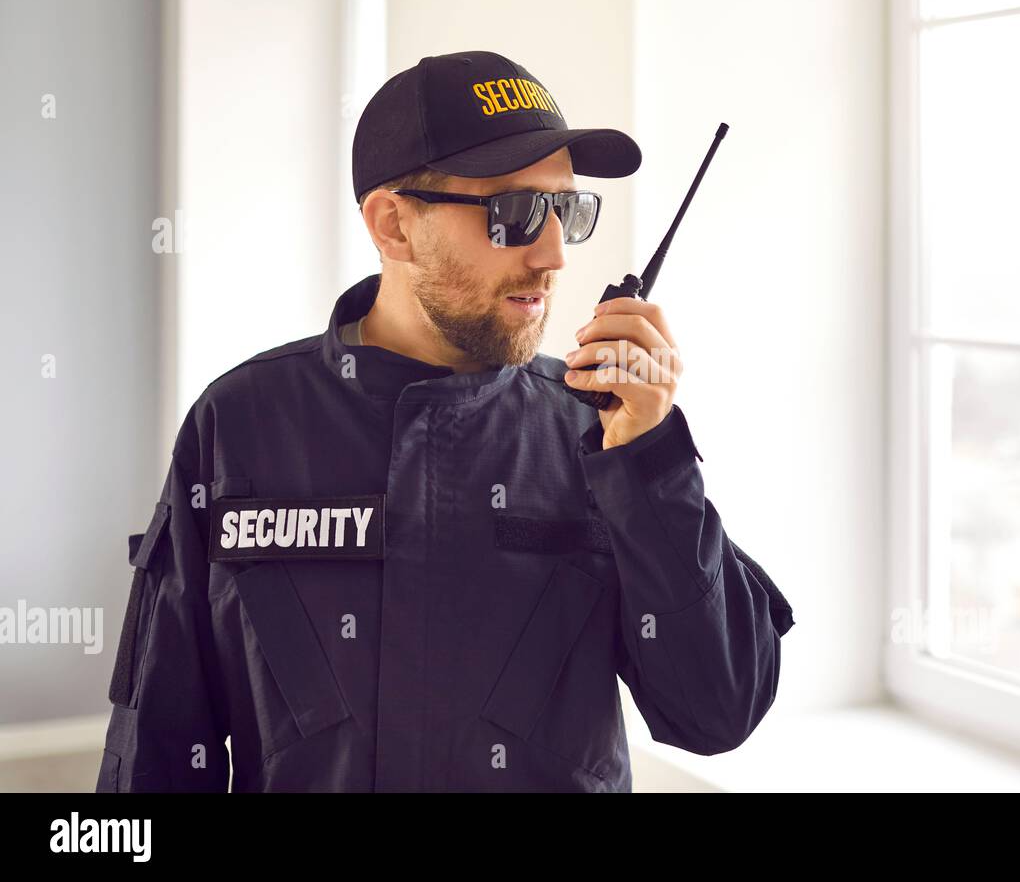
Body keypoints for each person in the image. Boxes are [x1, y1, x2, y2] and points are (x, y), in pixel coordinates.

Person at [95, 50, 794, 792]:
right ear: (393, 225)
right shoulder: (240, 425)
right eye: (515, 213)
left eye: (567, 210)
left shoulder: (602, 436)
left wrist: (652, 462)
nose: (554, 254)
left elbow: (717, 713)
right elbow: (158, 747)